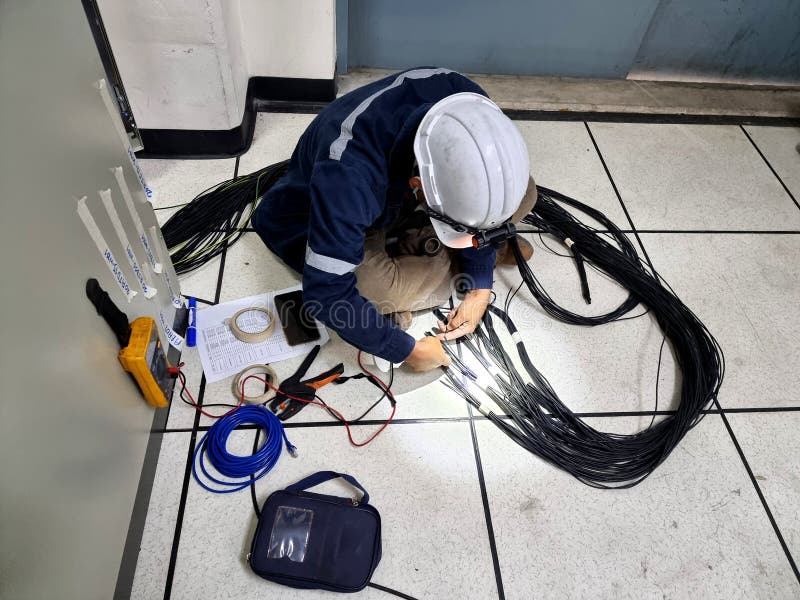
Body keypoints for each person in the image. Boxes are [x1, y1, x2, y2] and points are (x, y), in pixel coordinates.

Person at [252, 68, 536, 372]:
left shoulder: (467, 106)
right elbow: (327, 293)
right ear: (418, 186)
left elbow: (483, 195)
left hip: (392, 197)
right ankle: (440, 255)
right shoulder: (348, 178)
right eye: (464, 230)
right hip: (324, 215)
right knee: (372, 286)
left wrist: (480, 285)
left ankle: (445, 251)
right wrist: (406, 351)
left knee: (527, 193)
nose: (475, 237)